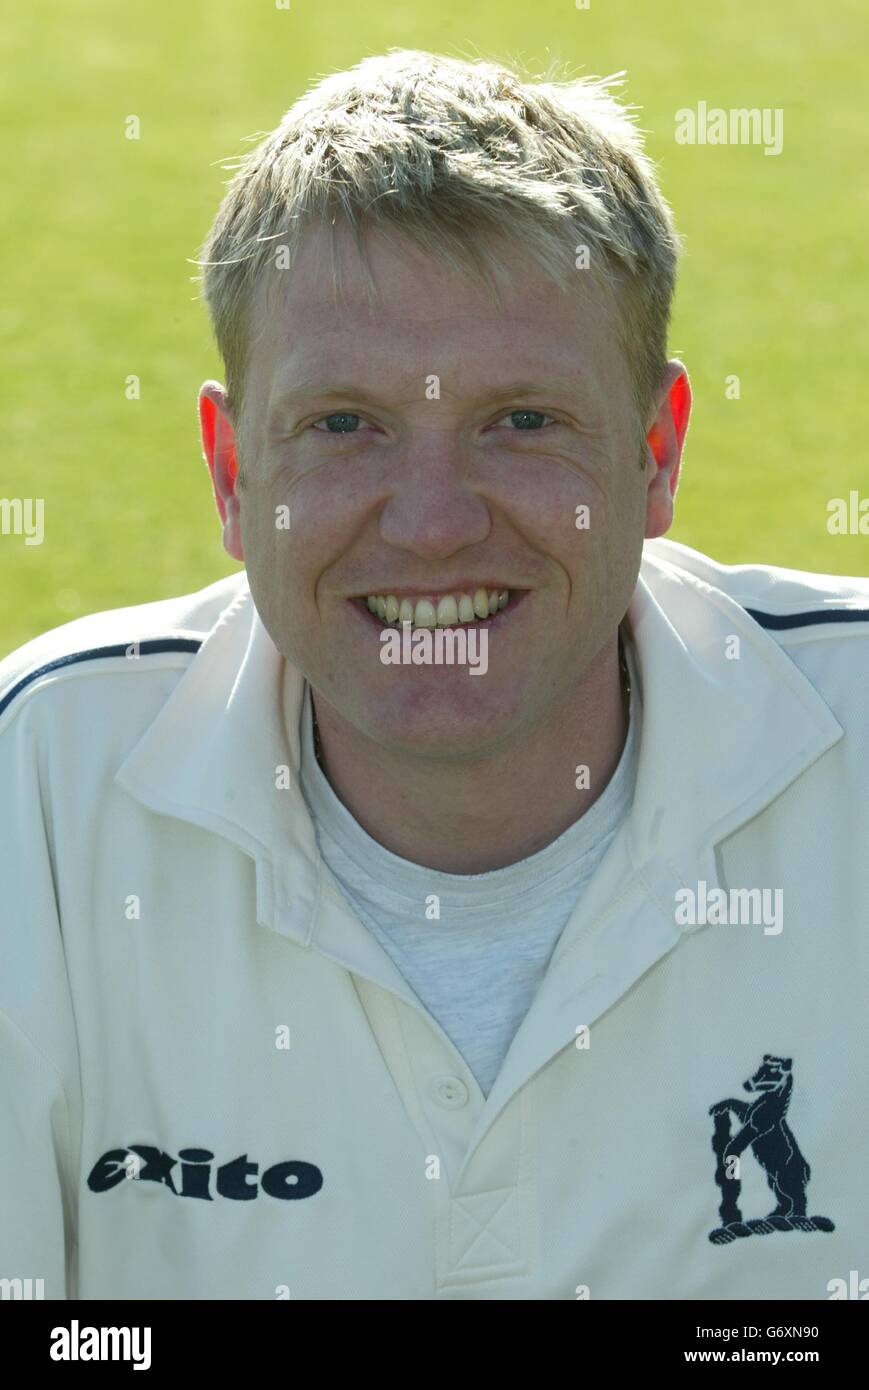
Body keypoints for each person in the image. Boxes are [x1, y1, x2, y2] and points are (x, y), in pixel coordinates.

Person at [1, 48, 867, 1302]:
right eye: (343, 424)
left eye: (520, 420)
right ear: (233, 474)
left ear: (656, 451)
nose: (431, 522)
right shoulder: (34, 795)